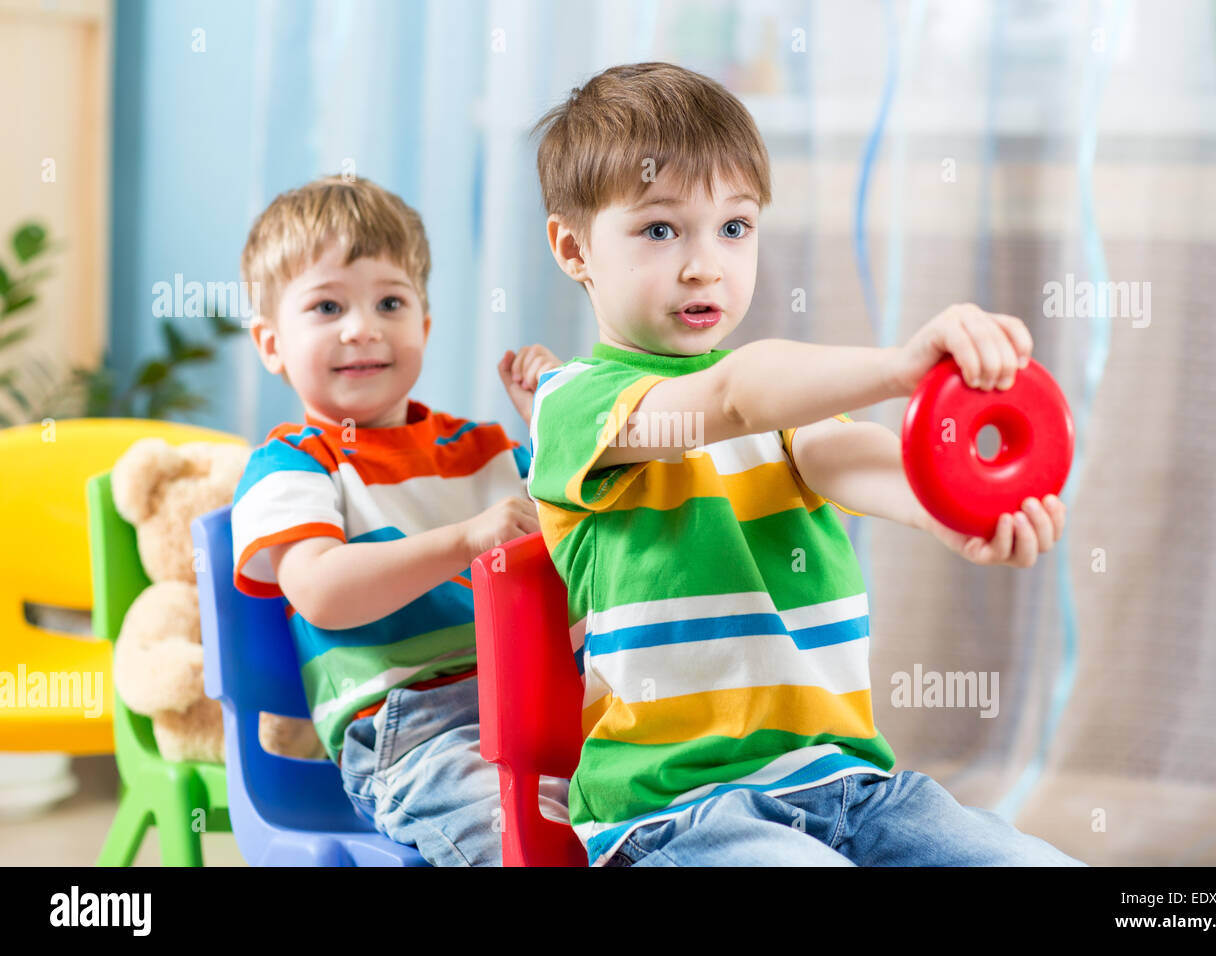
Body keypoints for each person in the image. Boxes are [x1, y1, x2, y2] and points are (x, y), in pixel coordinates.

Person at [526, 63, 1084, 866]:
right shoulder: (574, 405)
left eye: (734, 227)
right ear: (573, 247)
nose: (704, 265)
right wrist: (900, 367)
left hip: (856, 787)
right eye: (659, 230)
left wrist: (954, 505)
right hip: (681, 810)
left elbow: (843, 455)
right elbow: (735, 396)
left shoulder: (786, 406)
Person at [231, 175, 567, 865]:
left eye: (390, 301)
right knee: (515, 838)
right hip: (409, 734)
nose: (364, 327)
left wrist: (552, 426)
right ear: (271, 344)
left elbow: (582, 538)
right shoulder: (292, 464)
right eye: (327, 306)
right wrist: (468, 540)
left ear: (423, 326)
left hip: (541, 702)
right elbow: (323, 589)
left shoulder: (484, 447)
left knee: (651, 807)